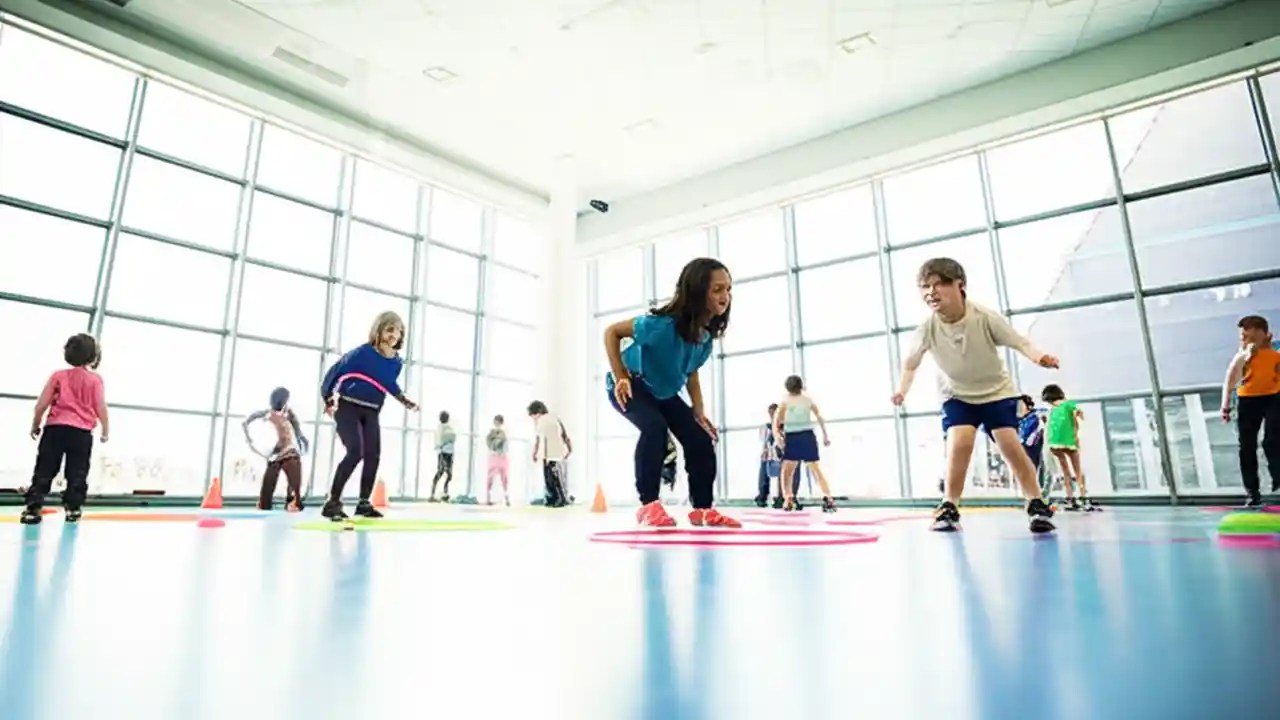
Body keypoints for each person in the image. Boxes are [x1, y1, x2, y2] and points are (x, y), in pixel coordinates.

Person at [891, 257, 1059, 533]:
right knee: (959, 444)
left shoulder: (984, 317)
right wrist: (901, 391)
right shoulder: (927, 329)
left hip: (996, 392)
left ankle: (1036, 503)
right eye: (924, 287)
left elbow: (1020, 342)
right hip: (957, 395)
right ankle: (949, 506)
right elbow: (911, 364)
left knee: (1011, 448)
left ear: (960, 285)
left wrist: (1040, 357)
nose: (930, 292)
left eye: (938, 285)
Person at [602, 257, 741, 528]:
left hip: (664, 394)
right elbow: (612, 332)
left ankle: (702, 509)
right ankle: (649, 506)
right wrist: (621, 377)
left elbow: (691, 372)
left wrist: (698, 412)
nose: (725, 296)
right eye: (717, 289)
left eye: (728, 289)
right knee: (654, 427)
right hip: (632, 384)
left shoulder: (704, 338)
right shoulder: (660, 325)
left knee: (700, 439)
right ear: (697, 291)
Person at [320, 311, 418, 521]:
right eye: (390, 329)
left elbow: (386, 382)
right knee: (355, 451)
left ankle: (364, 503)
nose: (394, 335)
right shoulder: (361, 354)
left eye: (399, 331)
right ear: (379, 330)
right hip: (348, 407)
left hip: (372, 410)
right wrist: (327, 397)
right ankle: (332, 503)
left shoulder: (396, 363)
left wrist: (404, 400)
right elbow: (336, 371)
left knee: (373, 455)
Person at [21, 333, 108, 525]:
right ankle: (73, 508)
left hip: (55, 429)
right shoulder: (95, 380)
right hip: (81, 433)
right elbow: (100, 406)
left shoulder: (58, 376)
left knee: (44, 468)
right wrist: (105, 429)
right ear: (93, 356)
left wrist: (36, 424)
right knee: (77, 471)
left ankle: (33, 507)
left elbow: (42, 404)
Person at [1220, 314, 1280, 508]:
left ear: (1263, 333)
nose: (1245, 339)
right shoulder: (1242, 357)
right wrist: (1225, 406)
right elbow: (1230, 381)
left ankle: (1278, 477)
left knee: (1272, 441)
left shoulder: (1276, 355)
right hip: (1248, 400)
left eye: (1249, 335)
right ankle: (1252, 493)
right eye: (1243, 336)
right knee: (1246, 447)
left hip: (1273, 398)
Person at [773, 375, 836, 512]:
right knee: (815, 469)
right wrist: (825, 435)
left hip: (793, 436)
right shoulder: (807, 400)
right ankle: (828, 496)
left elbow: (776, 421)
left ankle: (788, 498)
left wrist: (777, 437)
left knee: (787, 470)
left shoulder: (785, 401)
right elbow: (819, 417)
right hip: (807, 435)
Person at [242, 387, 310, 511]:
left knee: (293, 481)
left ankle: (293, 502)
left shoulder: (289, 414)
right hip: (276, 454)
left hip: (288, 452)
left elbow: (298, 430)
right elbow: (246, 421)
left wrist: (302, 439)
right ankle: (269, 504)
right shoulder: (267, 414)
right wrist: (249, 438)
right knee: (268, 487)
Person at [528, 400, 572, 507]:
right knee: (554, 477)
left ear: (537, 412)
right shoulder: (555, 418)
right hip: (555, 452)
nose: (533, 418)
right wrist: (569, 449)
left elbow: (538, 439)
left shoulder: (541, 421)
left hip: (549, 453)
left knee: (552, 478)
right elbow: (564, 435)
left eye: (533, 415)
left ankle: (558, 498)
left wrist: (534, 453)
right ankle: (556, 498)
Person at [1015, 394, 1049, 497]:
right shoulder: (1021, 420)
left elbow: (1030, 438)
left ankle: (1036, 495)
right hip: (1025, 448)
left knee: (1034, 470)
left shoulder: (1034, 417)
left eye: (1020, 406)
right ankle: (1030, 494)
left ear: (1028, 406)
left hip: (1034, 448)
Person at [755, 403, 781, 507]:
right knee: (764, 466)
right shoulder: (768, 427)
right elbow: (766, 441)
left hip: (780, 453)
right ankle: (763, 494)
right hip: (771, 453)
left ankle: (781, 496)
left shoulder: (782, 427)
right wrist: (765, 450)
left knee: (783, 471)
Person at [430, 410, 456, 502]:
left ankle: (445, 494)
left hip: (449, 452)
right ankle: (432, 495)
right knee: (440, 472)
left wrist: (448, 439)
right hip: (443, 452)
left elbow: (452, 437)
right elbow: (443, 439)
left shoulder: (449, 427)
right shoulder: (440, 428)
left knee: (449, 474)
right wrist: (447, 440)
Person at [485, 415, 510, 506]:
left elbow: (490, 444)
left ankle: (491, 498)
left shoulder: (495, 433)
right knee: (502, 478)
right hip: (499, 457)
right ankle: (504, 498)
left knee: (496, 478)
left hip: (496, 457)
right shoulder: (500, 433)